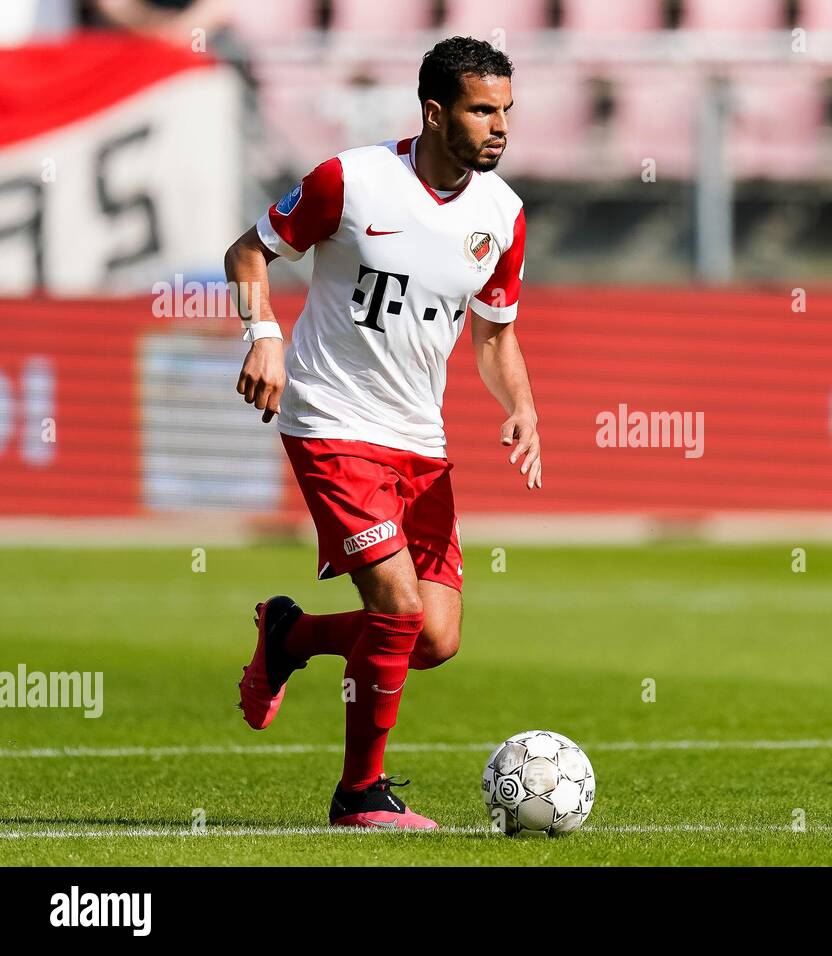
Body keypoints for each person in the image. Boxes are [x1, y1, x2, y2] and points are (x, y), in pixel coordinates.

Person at [223, 36, 539, 829]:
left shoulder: (502, 216)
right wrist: (263, 336)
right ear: (435, 112)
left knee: (433, 637)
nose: (499, 126)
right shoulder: (351, 180)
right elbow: (247, 254)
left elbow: (495, 337)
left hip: (419, 442)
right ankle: (360, 795)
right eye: (481, 110)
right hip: (331, 421)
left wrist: (522, 407)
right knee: (397, 611)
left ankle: (290, 636)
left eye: (506, 110)